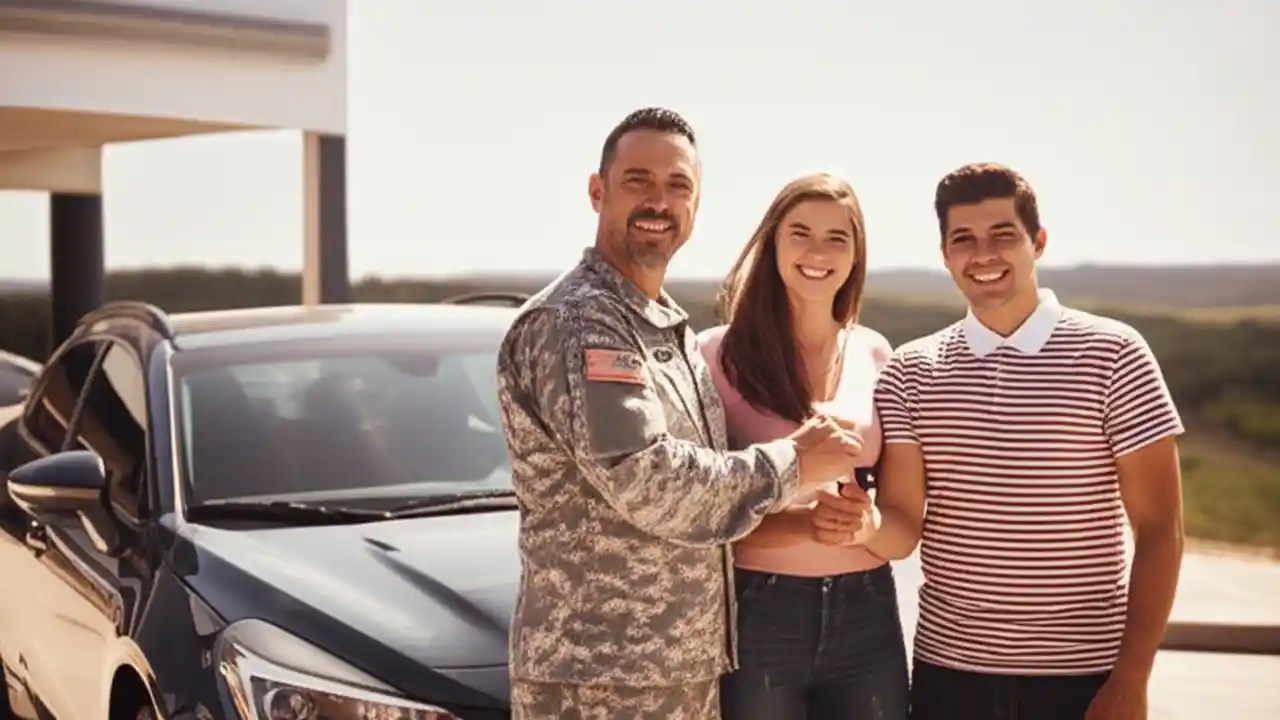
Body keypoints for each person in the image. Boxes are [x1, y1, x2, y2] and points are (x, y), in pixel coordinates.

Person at [495, 107, 866, 720]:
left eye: (678, 185)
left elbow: (707, 487)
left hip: (674, 673)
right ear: (598, 191)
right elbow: (649, 479)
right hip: (602, 679)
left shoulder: (664, 329)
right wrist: (795, 460)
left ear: (695, 205)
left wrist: (810, 514)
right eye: (638, 180)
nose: (658, 201)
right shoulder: (582, 322)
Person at [813, 162, 1185, 720]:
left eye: (1002, 236)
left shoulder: (1116, 354)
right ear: (944, 255)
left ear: (1038, 242)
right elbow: (903, 523)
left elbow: (1160, 531)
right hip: (950, 678)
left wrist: (1132, 679)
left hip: (1085, 678)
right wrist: (865, 529)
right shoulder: (912, 371)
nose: (982, 254)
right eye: (963, 239)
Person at [697, 172, 909, 719]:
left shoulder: (876, 353)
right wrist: (801, 524)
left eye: (837, 237)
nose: (818, 252)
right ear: (772, 242)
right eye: (801, 233)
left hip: (867, 609)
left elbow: (904, 519)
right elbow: (692, 512)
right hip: (759, 611)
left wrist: (867, 527)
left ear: (857, 253)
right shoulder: (716, 356)